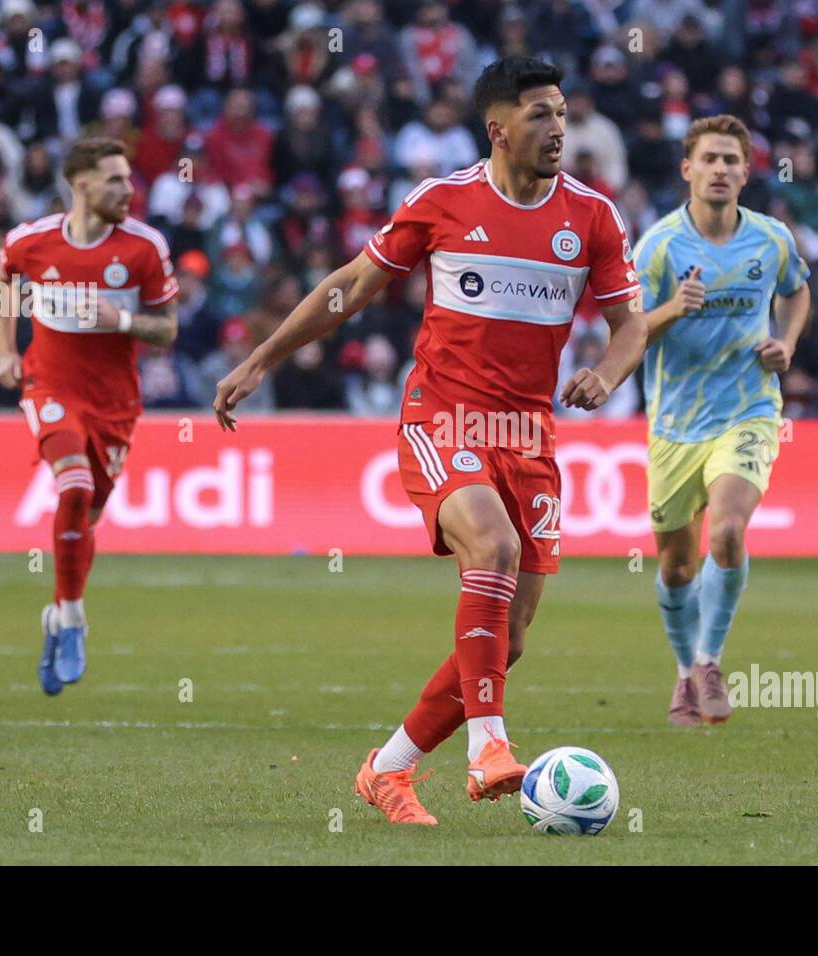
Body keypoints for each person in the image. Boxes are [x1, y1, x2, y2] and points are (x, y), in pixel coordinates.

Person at [213, 57, 646, 824]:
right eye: (541, 115)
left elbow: (630, 326)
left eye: (562, 113)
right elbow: (348, 285)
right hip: (443, 416)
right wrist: (260, 359)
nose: (558, 128)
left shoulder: (593, 217)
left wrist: (609, 375)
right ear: (498, 128)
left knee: (506, 641)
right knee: (495, 548)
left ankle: (387, 769)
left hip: (529, 433)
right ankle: (489, 746)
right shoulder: (442, 201)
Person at [632, 114, 810, 727]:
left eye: (731, 160)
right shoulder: (658, 246)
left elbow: (798, 290)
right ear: (687, 170)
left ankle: (709, 660)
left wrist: (785, 342)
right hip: (676, 423)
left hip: (749, 410)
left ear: (746, 171)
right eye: (708, 159)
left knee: (729, 530)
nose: (720, 170)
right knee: (677, 568)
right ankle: (684, 673)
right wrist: (672, 309)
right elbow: (625, 329)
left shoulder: (770, 239)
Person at [0, 136, 179, 696]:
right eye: (116, 179)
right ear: (82, 185)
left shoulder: (146, 248)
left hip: (114, 404)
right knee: (71, 486)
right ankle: (72, 619)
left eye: (129, 178)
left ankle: (61, 612)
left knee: (87, 518)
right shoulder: (31, 240)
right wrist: (4, 349)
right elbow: (3, 279)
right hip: (48, 385)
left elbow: (166, 330)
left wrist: (119, 320)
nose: (129, 189)